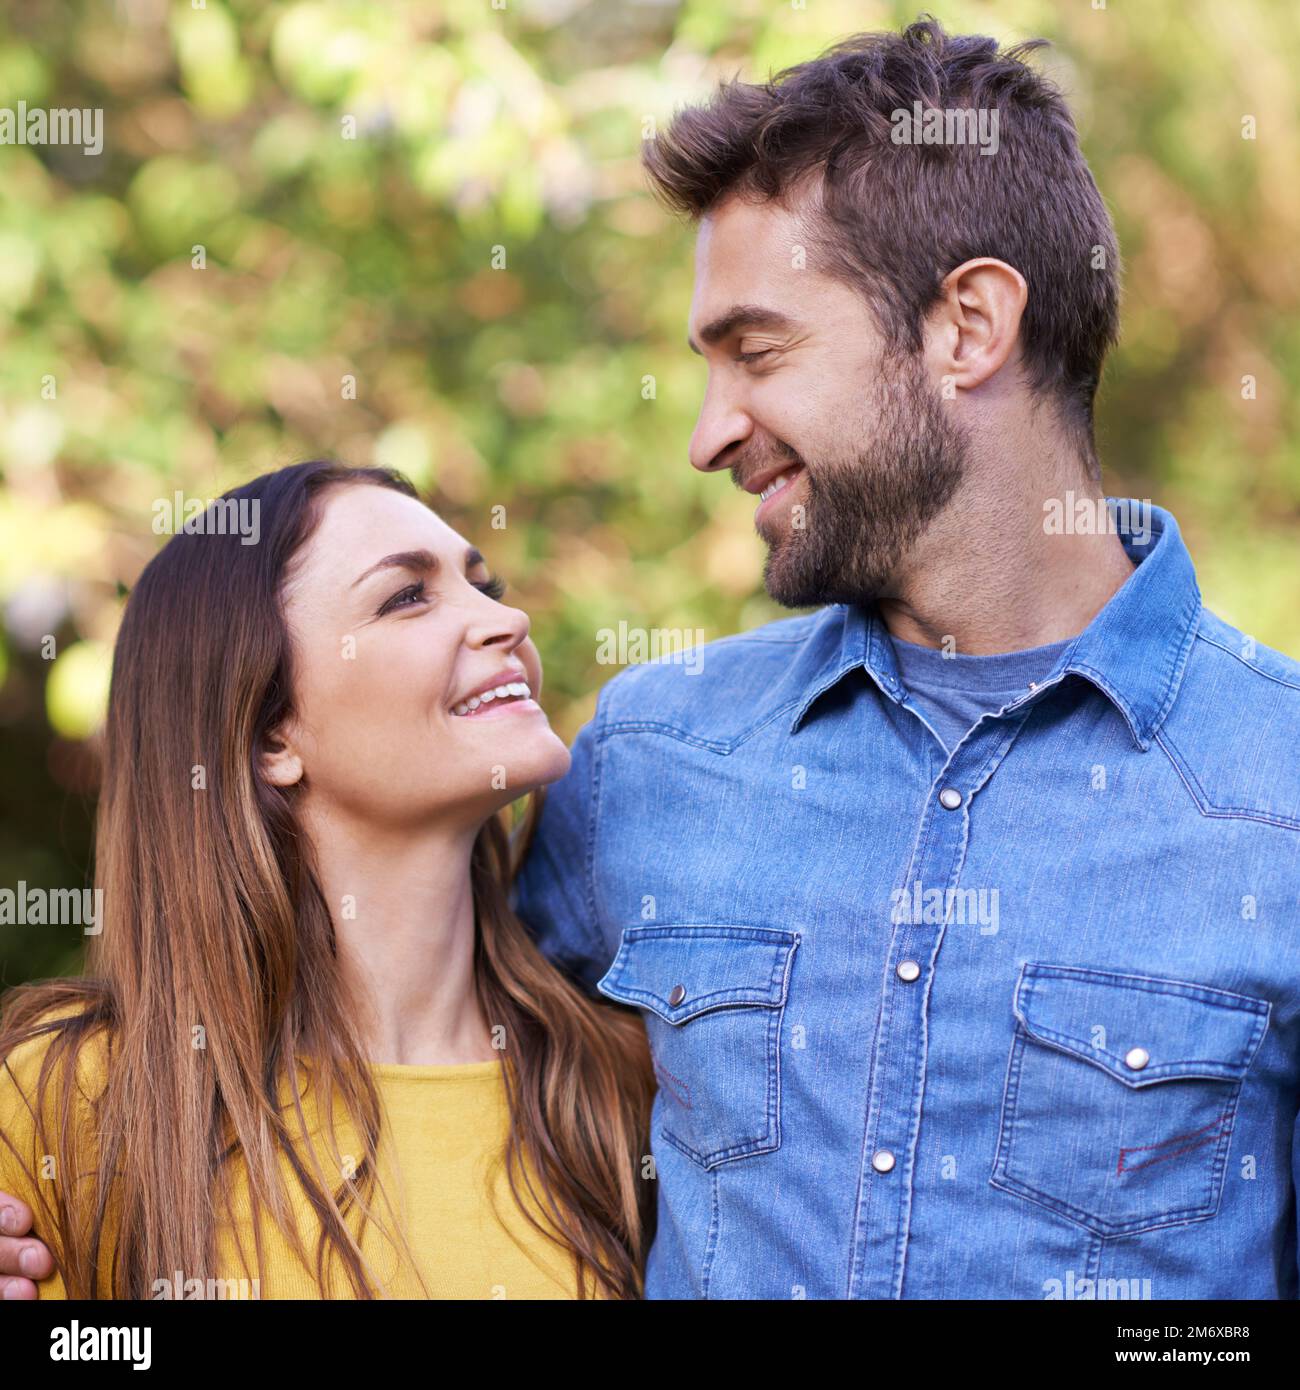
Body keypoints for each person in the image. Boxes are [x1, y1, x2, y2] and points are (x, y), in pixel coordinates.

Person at [0, 460, 654, 1300]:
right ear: (271, 733)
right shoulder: (77, 1097)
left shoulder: (621, 1083)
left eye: (482, 583)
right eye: (407, 597)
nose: (507, 619)